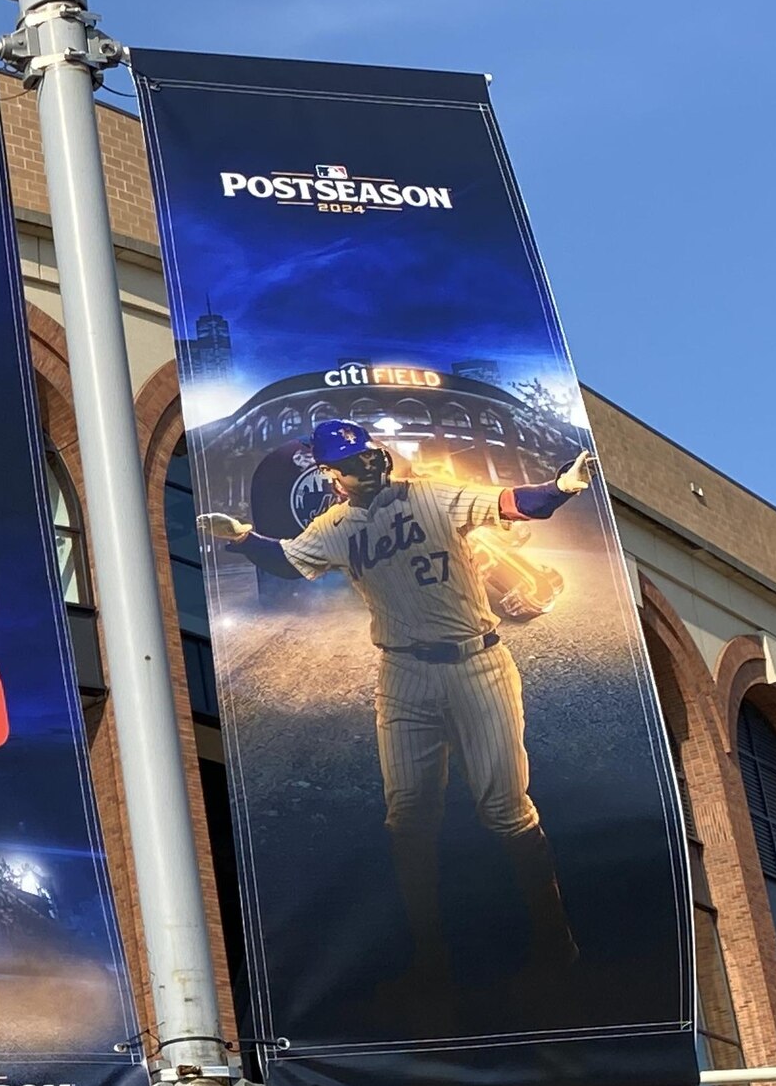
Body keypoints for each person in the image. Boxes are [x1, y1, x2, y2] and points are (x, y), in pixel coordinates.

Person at [195, 418, 598, 984]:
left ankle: (557, 941)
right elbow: (288, 560)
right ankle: (429, 956)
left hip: (478, 663)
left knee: (504, 810)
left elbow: (509, 503)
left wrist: (559, 490)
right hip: (403, 671)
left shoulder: (431, 494)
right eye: (342, 466)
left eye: (356, 462)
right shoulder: (336, 525)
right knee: (407, 817)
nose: (350, 473)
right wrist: (241, 537)